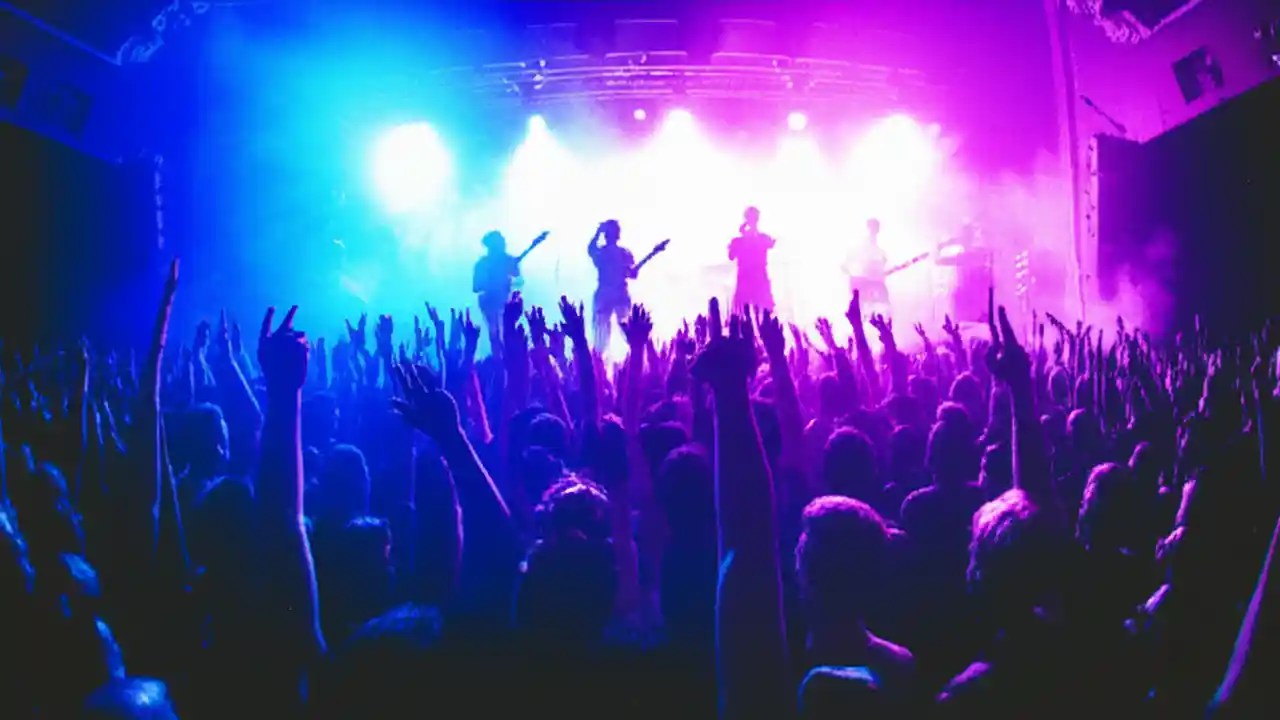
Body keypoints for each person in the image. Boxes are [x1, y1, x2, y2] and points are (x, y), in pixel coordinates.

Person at [588, 220, 669, 350]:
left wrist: (598, 232)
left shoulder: (611, 253)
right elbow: (633, 273)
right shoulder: (616, 253)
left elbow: (632, 273)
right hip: (614, 294)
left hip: (611, 294)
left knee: (613, 333)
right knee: (613, 333)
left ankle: (609, 356)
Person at [473, 229, 548, 353]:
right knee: (495, 334)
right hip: (489, 302)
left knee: (507, 332)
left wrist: (510, 282)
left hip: (506, 301)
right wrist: (492, 281)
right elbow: (476, 287)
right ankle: (498, 358)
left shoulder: (507, 260)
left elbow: (519, 281)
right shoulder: (482, 264)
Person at [729, 206, 776, 312]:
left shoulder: (740, 241)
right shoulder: (763, 238)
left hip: (749, 279)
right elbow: (731, 256)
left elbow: (731, 256)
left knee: (744, 312)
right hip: (756, 278)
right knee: (762, 312)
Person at [845, 218, 890, 318]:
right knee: (864, 303)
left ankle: (875, 318)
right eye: (873, 227)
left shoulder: (875, 245)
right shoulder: (863, 243)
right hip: (864, 279)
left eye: (876, 227)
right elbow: (856, 256)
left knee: (880, 302)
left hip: (872, 280)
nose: (875, 230)